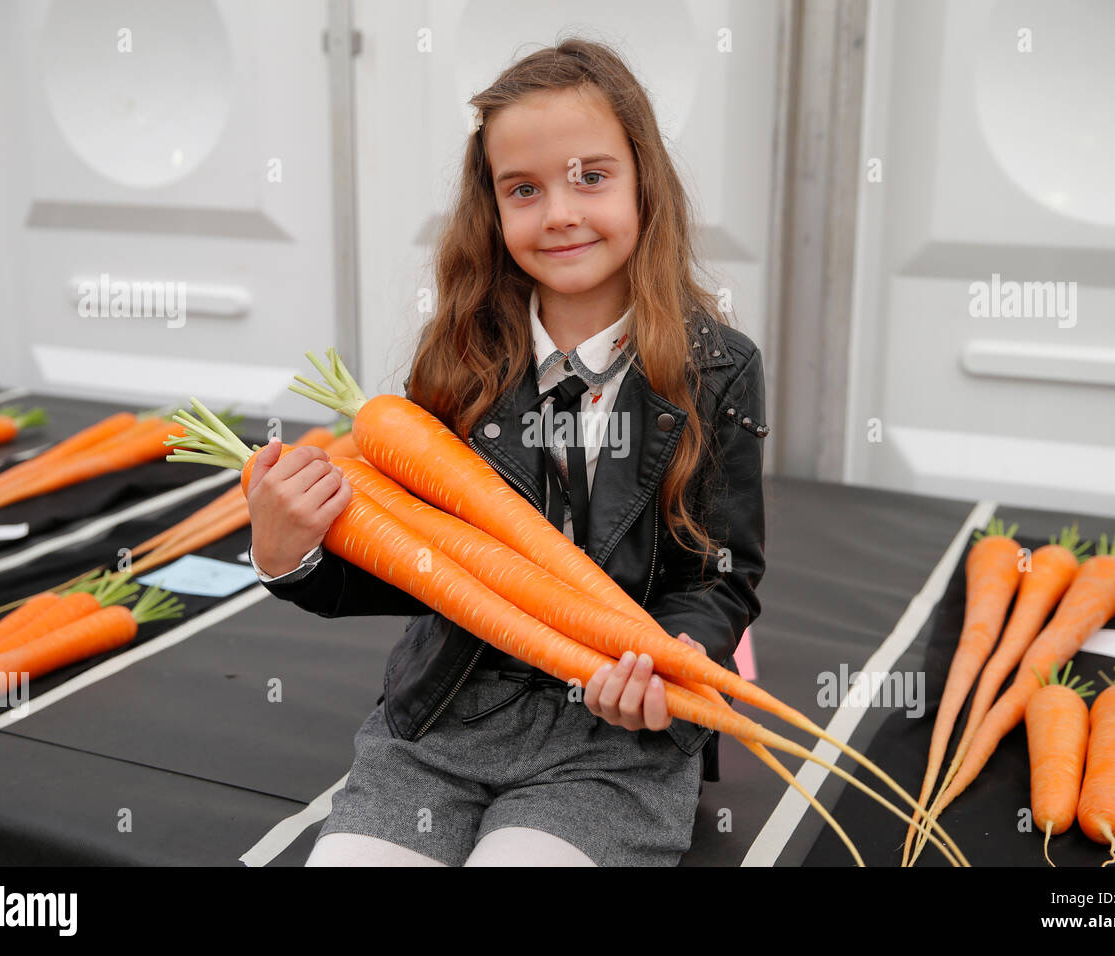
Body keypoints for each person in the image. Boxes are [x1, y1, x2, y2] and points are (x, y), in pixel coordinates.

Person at [247, 37, 768, 866]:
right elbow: (413, 560)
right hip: (445, 721)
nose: (559, 211)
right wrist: (290, 557)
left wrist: (677, 661)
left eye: (591, 176)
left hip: (613, 740)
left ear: (645, 185)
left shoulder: (718, 369)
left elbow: (720, 573)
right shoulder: (457, 361)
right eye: (523, 189)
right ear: (492, 208)